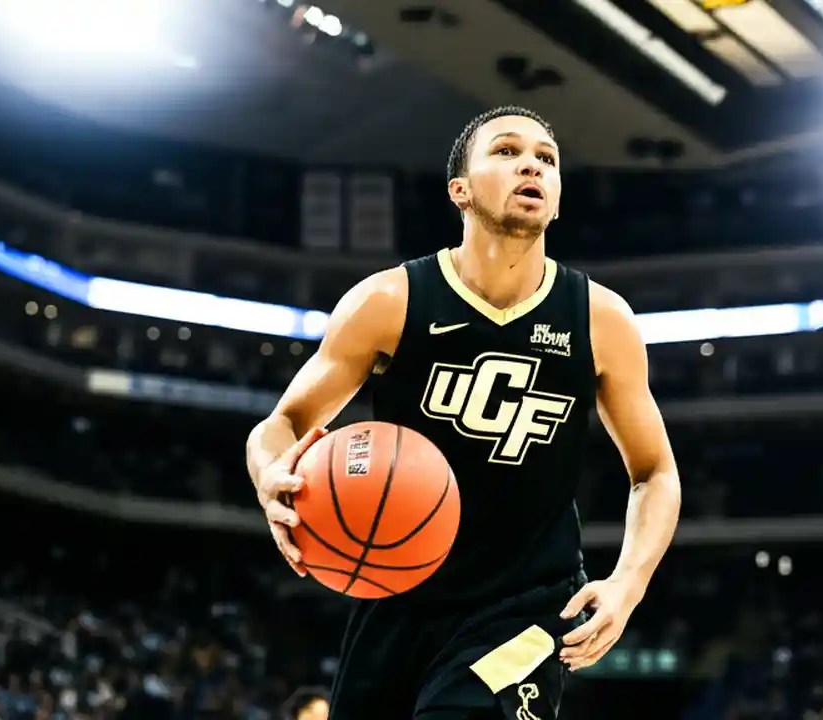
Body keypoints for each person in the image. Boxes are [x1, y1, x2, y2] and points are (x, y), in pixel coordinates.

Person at [245, 106, 681, 720]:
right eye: (505, 151)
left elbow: (655, 471)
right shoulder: (389, 301)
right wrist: (270, 475)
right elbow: (281, 425)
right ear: (461, 190)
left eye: (546, 158)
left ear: (556, 199)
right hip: (394, 594)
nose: (531, 163)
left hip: (524, 604)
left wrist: (628, 582)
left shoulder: (600, 320)